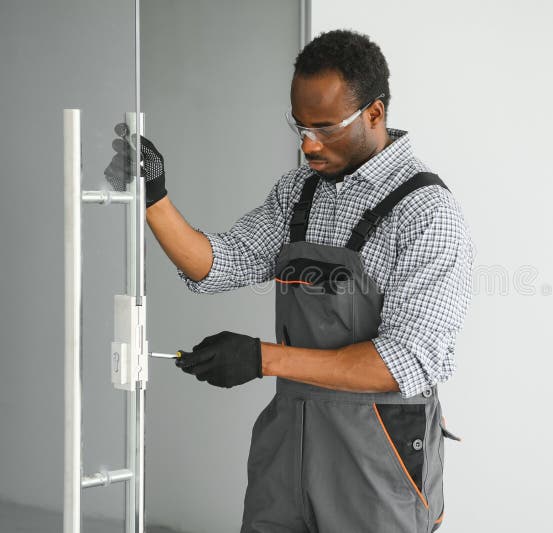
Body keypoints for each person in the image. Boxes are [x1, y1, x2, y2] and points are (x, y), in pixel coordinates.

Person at [105, 29, 474, 533]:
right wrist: (154, 197)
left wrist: (262, 359)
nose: (306, 143)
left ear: (375, 113)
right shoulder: (299, 192)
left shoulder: (426, 213)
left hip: (379, 459)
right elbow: (220, 264)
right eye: (298, 125)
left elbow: (402, 361)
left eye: (324, 127)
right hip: (290, 449)